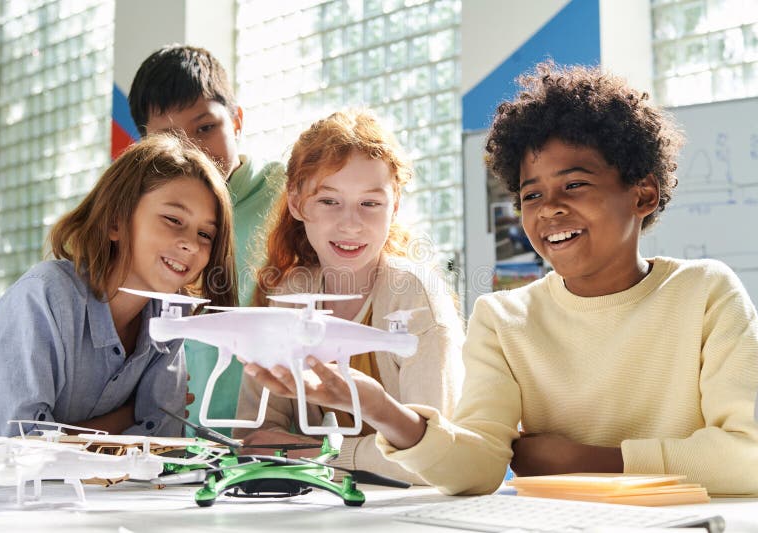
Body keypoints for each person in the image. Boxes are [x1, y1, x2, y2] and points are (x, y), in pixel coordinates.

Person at [242, 63, 758, 496]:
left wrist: (581, 459)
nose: (549, 208)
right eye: (531, 195)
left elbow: (748, 455)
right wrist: (380, 408)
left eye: (574, 185)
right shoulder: (503, 317)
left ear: (642, 195)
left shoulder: (705, 292)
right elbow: (476, 467)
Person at [235, 109, 465, 484]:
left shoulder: (415, 296)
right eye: (329, 201)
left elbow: (436, 458)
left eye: (370, 204)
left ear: (394, 206)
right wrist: (311, 454)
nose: (351, 224)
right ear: (296, 203)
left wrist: (317, 453)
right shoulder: (289, 296)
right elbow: (254, 439)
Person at [0, 133, 238, 437]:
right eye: (173, 219)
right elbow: (14, 446)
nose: (191, 245)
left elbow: (161, 439)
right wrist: (129, 415)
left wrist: (123, 425)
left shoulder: (168, 318)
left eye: (205, 235)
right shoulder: (42, 298)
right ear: (115, 221)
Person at [128, 44, 285, 431]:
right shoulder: (134, 218)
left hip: (276, 434)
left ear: (237, 121)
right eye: (170, 138)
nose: (193, 151)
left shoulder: (290, 195)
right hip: (175, 438)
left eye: (205, 128)